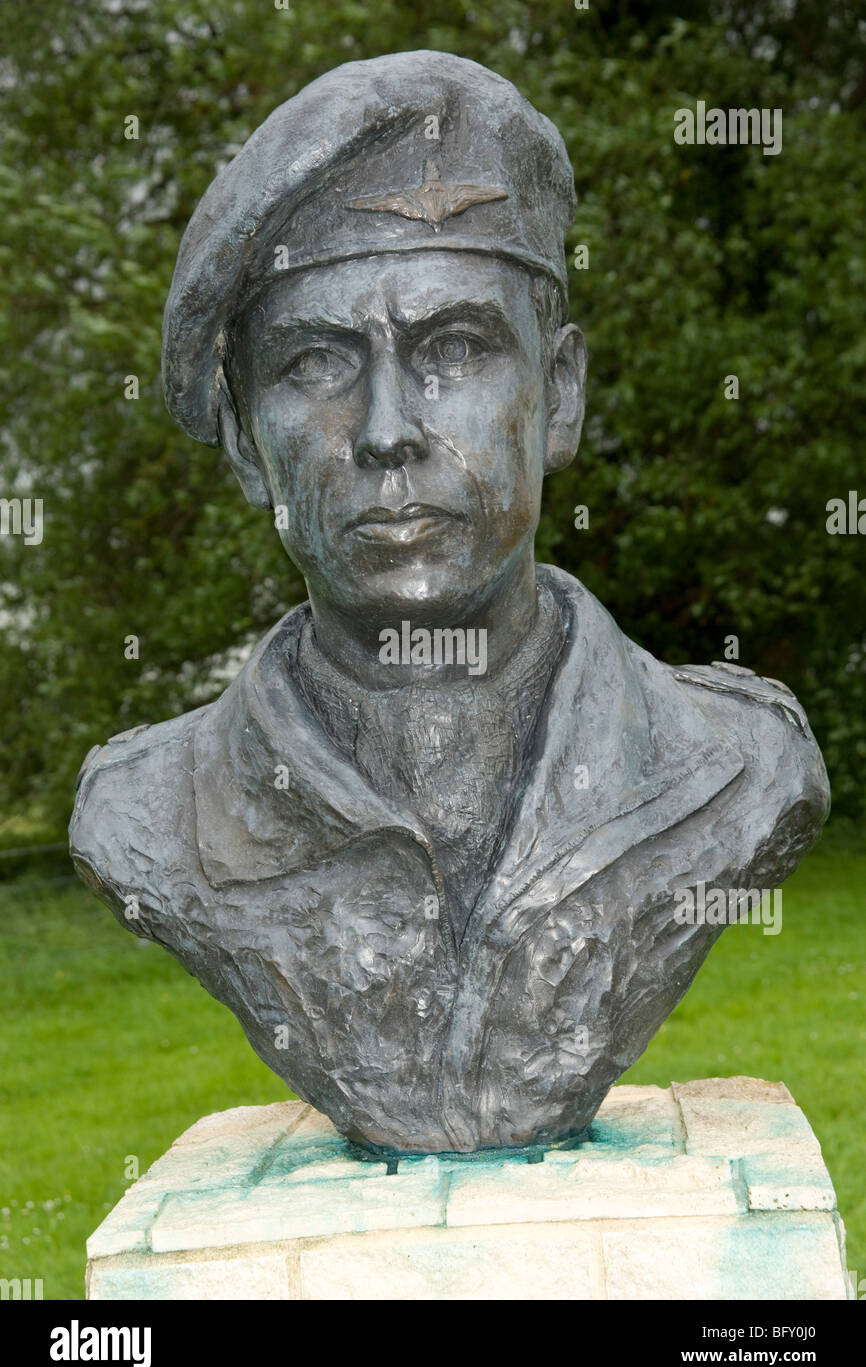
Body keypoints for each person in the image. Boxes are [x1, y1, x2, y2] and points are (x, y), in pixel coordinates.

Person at [70, 52, 829, 1154]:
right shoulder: (143, 812)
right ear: (244, 444)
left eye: (454, 348)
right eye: (316, 363)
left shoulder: (736, 768)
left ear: (558, 394)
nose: (386, 430)